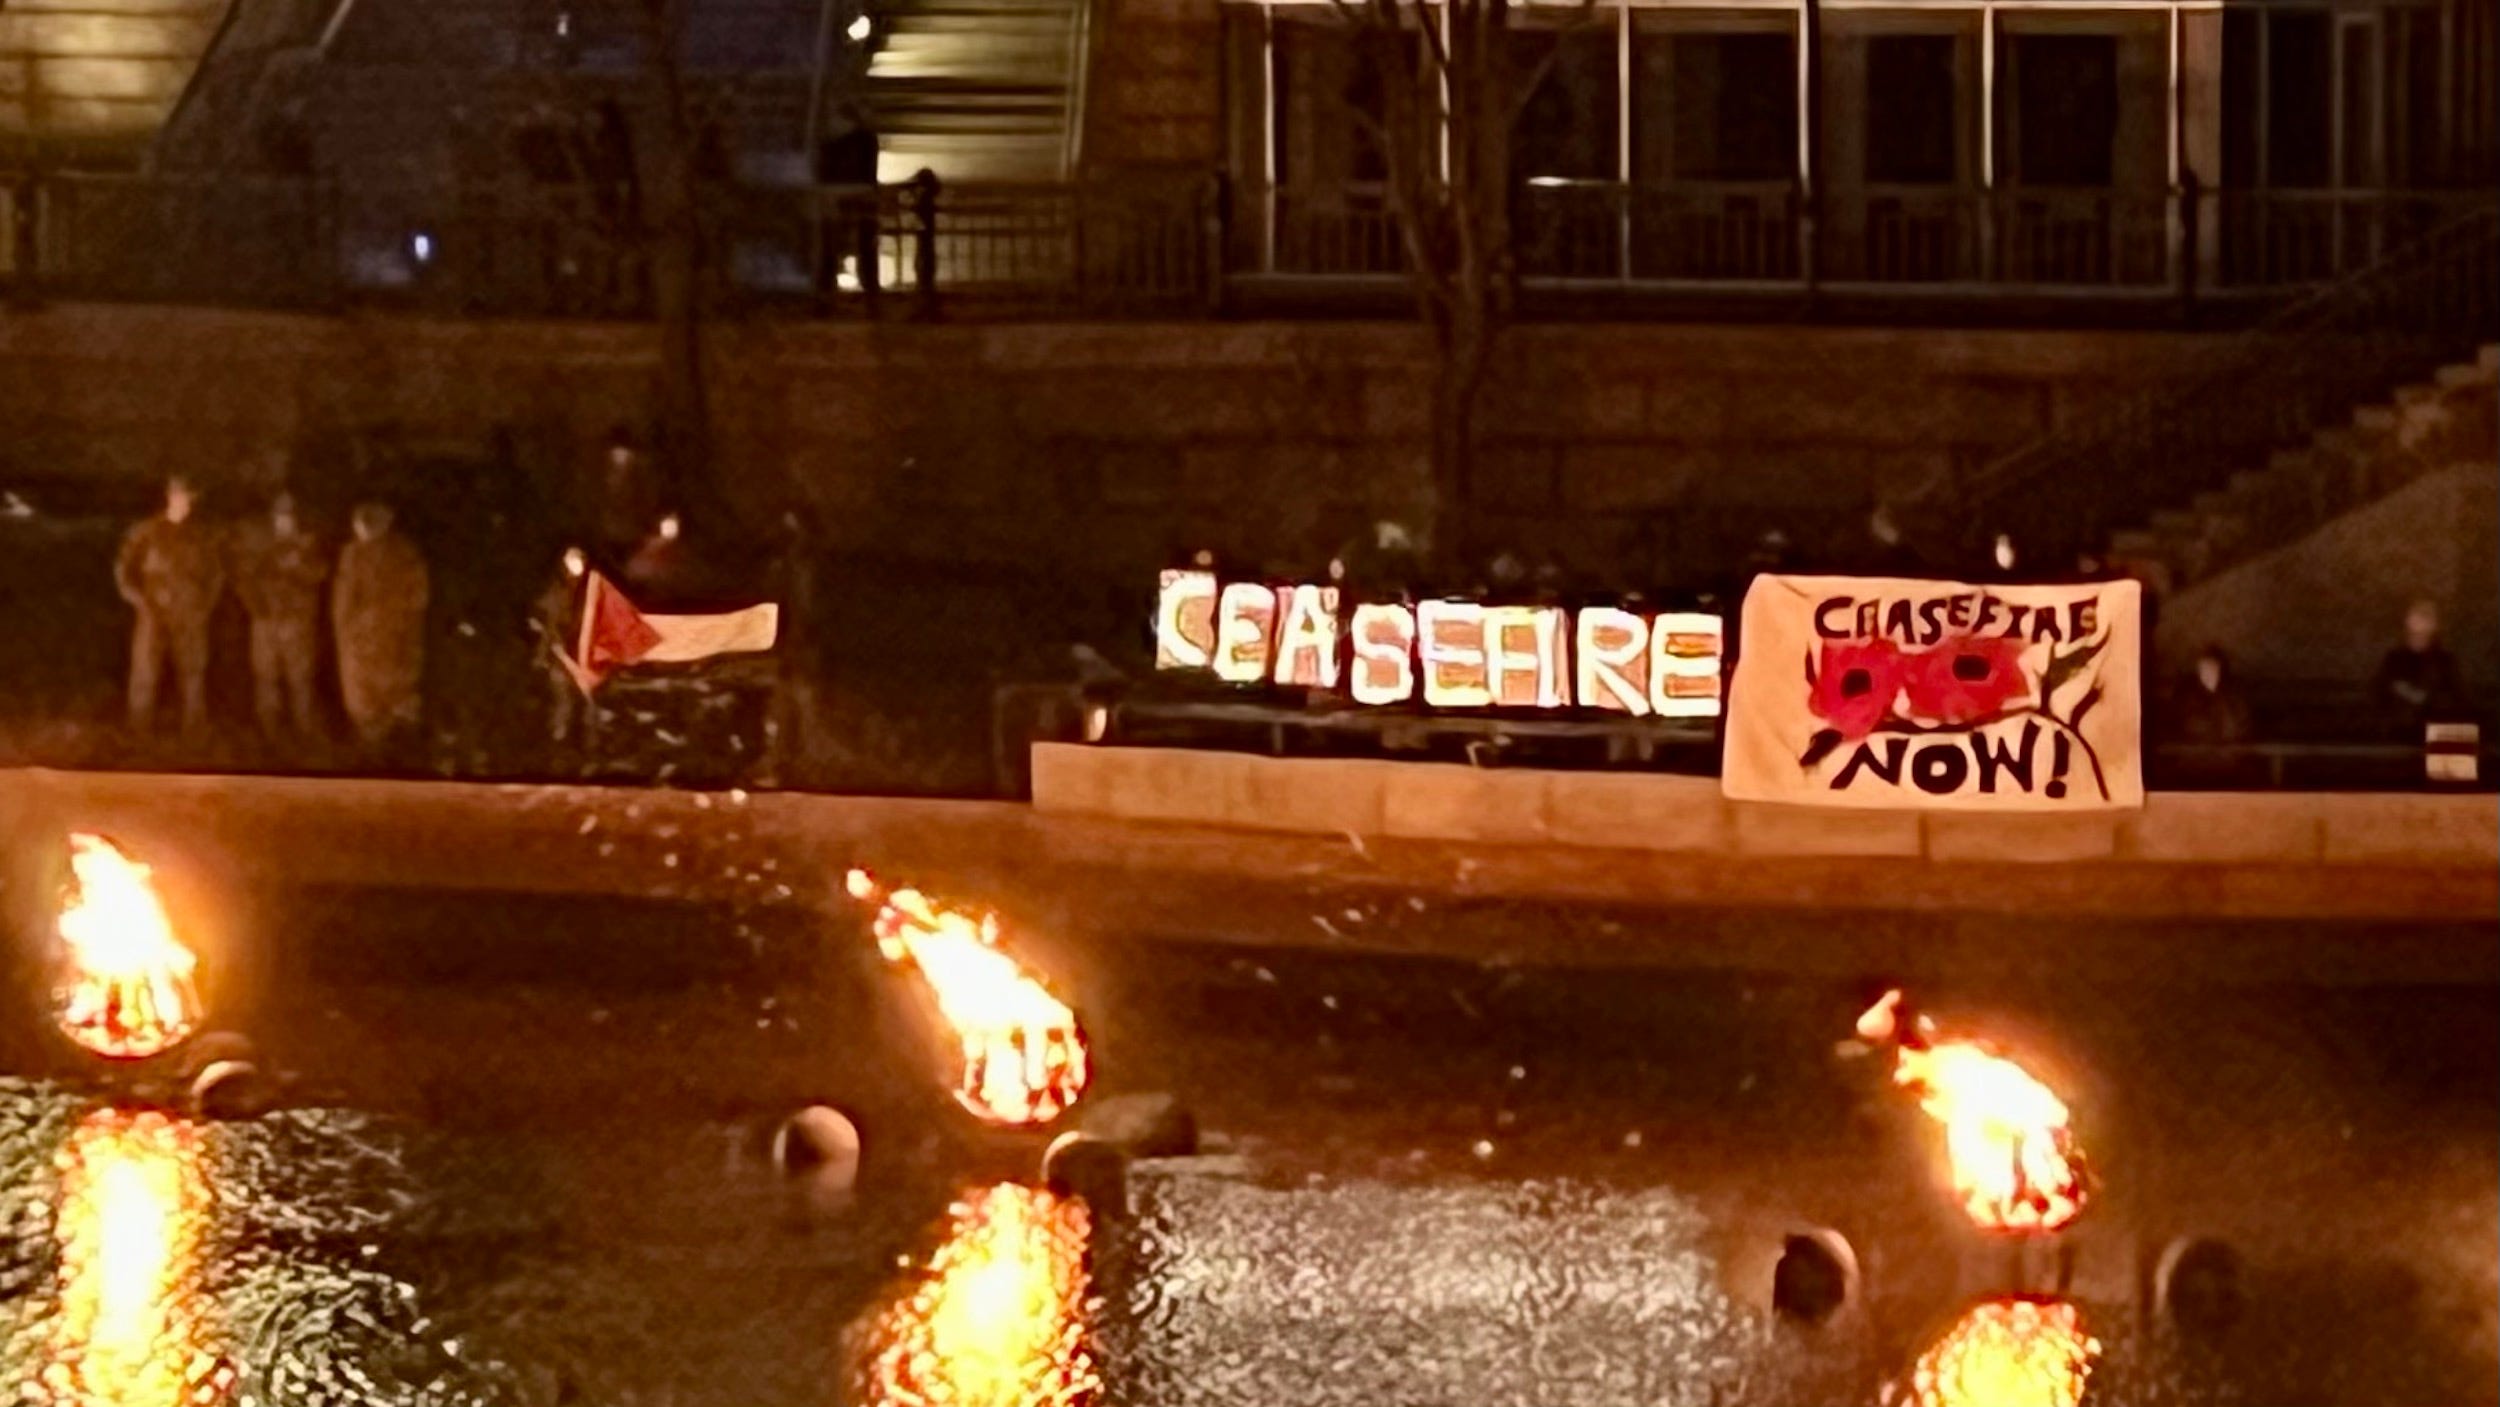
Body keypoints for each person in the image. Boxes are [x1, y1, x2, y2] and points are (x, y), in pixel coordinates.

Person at [116, 476, 227, 741]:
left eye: (188, 498)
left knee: (193, 672)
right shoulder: (146, 532)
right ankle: (139, 731)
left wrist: (204, 608)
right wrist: (141, 602)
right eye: (180, 496)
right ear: (169, 497)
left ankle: (194, 731)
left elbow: (216, 575)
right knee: (145, 671)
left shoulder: (201, 536)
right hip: (153, 614)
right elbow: (123, 570)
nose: (184, 502)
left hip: (190, 615)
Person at [231, 491, 331, 742]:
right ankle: (269, 731)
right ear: (273, 517)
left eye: (290, 514)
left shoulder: (308, 543)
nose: (285, 519)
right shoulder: (258, 546)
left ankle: (305, 729)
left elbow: (321, 573)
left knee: (301, 678)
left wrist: (299, 563)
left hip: (299, 623)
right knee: (265, 676)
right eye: (280, 514)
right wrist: (255, 607)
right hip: (266, 621)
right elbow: (243, 579)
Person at [331, 502, 430, 749]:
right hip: (375, 638)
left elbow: (419, 596)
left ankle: (390, 745)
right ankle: (381, 746)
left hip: (382, 637)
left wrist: (348, 631)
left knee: (380, 695)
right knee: (374, 696)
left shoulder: (399, 554)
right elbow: (342, 603)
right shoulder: (357, 554)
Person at [2371, 599, 2463, 736]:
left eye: (2427, 615)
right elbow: (2380, 693)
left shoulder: (2444, 661)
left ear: (2435, 623)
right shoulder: (2394, 659)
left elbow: (2454, 697)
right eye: (2418, 614)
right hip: (2396, 733)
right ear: (2407, 620)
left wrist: (2425, 699)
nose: (2422, 620)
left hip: (2436, 733)